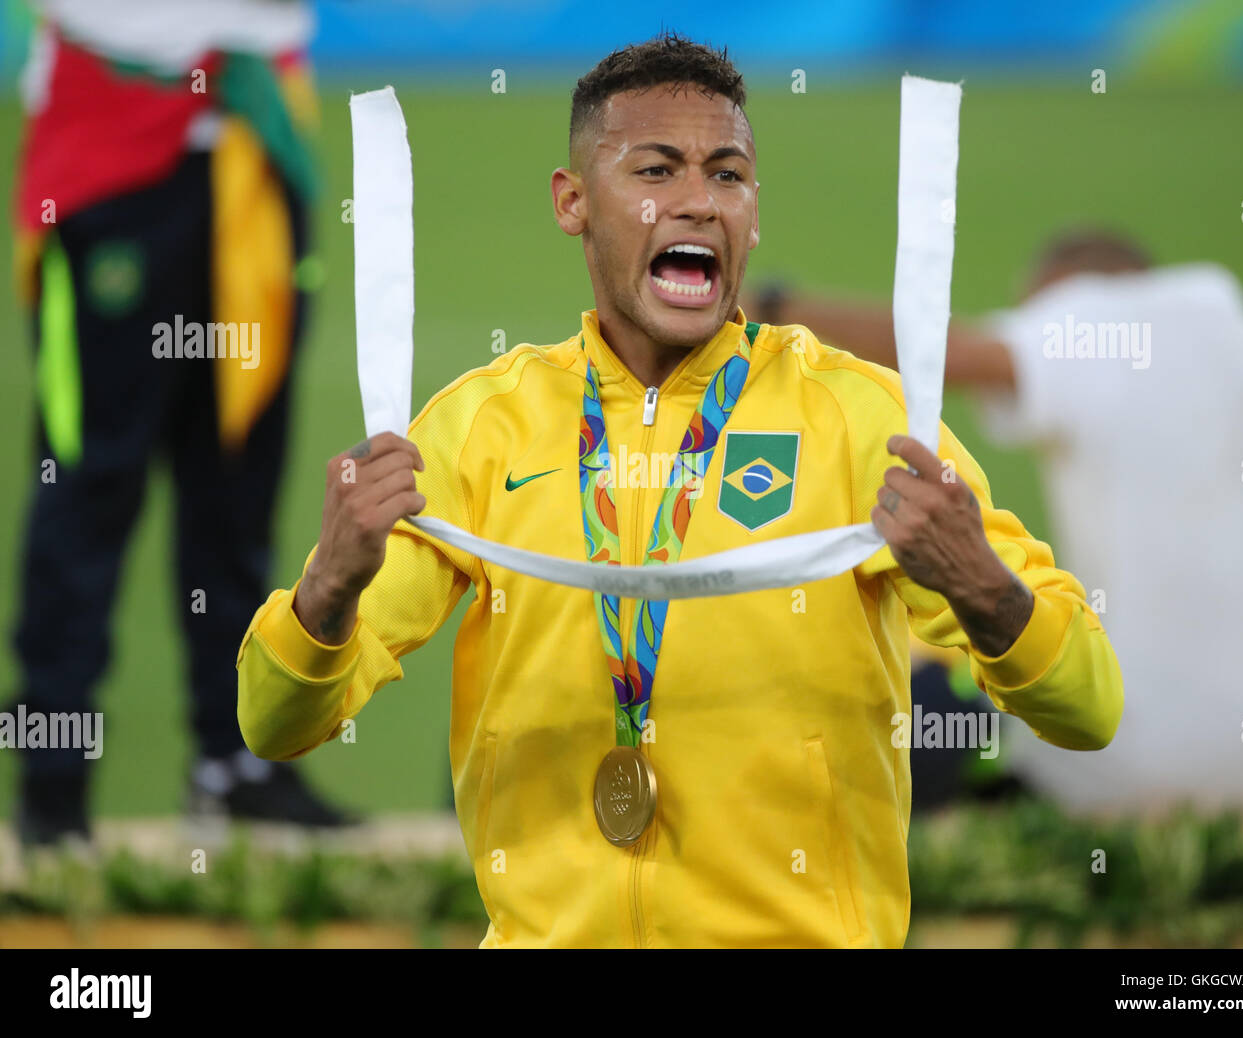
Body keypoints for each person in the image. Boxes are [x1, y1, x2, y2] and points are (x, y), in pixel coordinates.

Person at [237, 34, 1122, 948]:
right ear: (573, 201)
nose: (698, 202)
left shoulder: (862, 421)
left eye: (728, 175)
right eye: (656, 169)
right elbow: (273, 726)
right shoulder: (479, 431)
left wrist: (979, 582)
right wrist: (326, 591)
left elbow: (1089, 708)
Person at [757, 230, 1243, 812]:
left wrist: (773, 314)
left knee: (929, 701)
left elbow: (942, 356)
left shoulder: (1102, 321)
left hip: (1144, 754)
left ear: (1061, 290)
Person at [10, 0, 353, 845]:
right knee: (87, 487)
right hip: (113, 153)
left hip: (251, 150)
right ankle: (52, 791)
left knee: (239, 483)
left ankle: (238, 763)